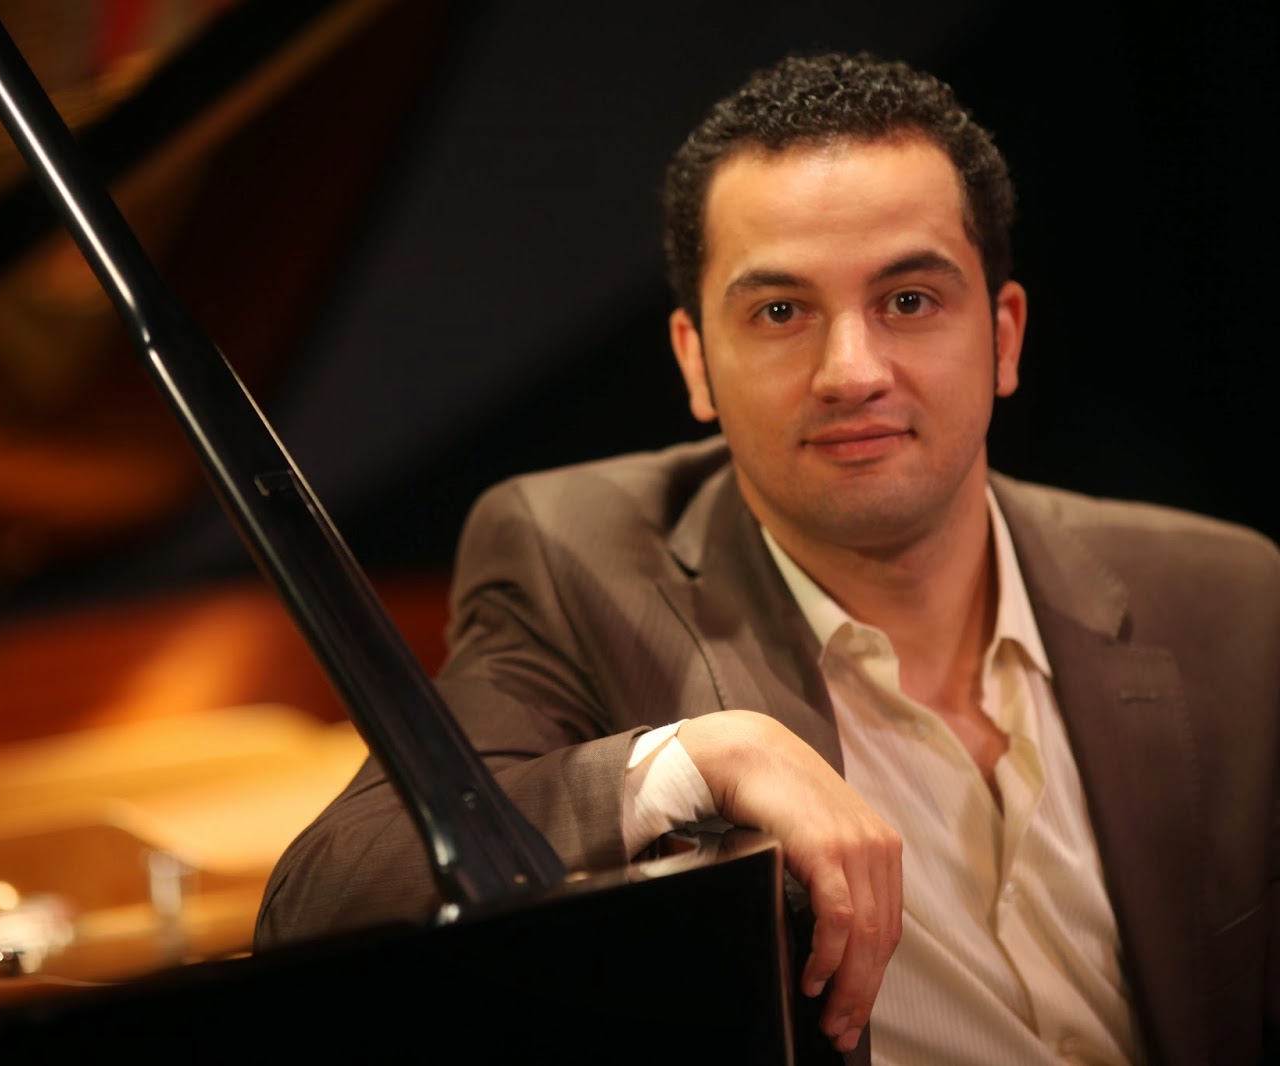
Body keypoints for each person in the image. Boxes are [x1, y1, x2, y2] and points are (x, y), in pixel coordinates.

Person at [253, 51, 1278, 1065]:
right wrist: (703, 756)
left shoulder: (1230, 598)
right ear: (695, 360)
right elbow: (323, 901)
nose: (851, 371)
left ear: (1003, 336)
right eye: (780, 312)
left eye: (909, 301)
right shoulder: (573, 558)